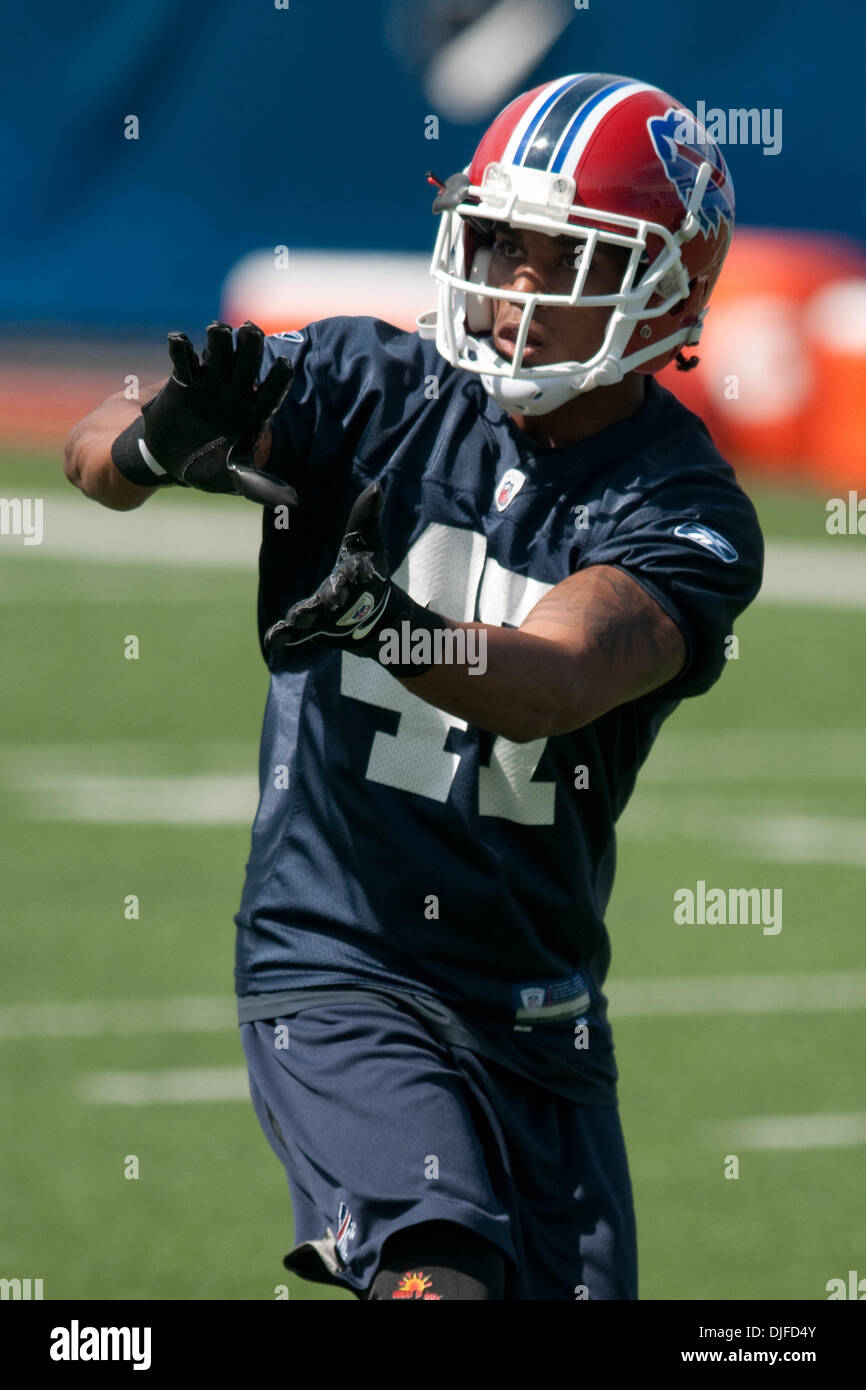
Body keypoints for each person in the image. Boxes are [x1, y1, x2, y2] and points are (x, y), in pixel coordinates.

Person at [63, 72, 764, 1301]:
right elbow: (94, 452)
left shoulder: (682, 508)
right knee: (440, 1281)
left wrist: (388, 628)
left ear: (662, 285)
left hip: (538, 1008)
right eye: (498, 240)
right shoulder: (371, 385)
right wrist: (153, 437)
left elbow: (552, 680)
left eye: (559, 255)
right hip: (341, 962)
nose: (513, 284)